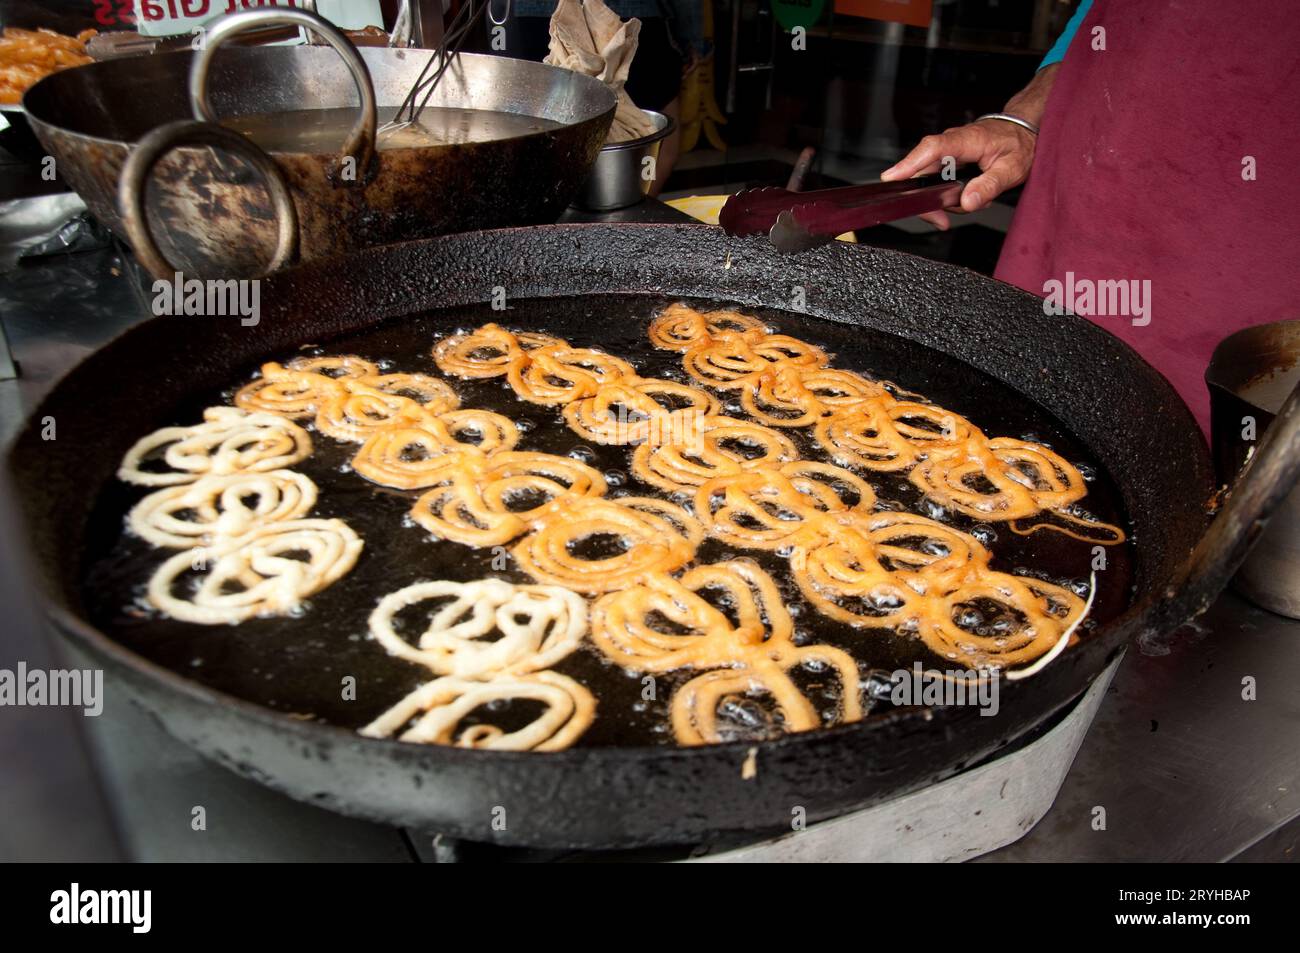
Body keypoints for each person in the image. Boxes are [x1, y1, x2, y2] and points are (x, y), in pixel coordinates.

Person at [880, 0, 1299, 434]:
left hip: (1267, 194)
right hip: (1101, 131)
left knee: (1211, 425)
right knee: (1029, 382)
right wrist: (1022, 119)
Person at [507, 1, 704, 193]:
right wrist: (691, 39)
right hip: (631, 13)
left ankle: (562, 219)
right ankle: (631, 217)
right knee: (656, 135)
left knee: (546, 133)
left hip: (536, 14)